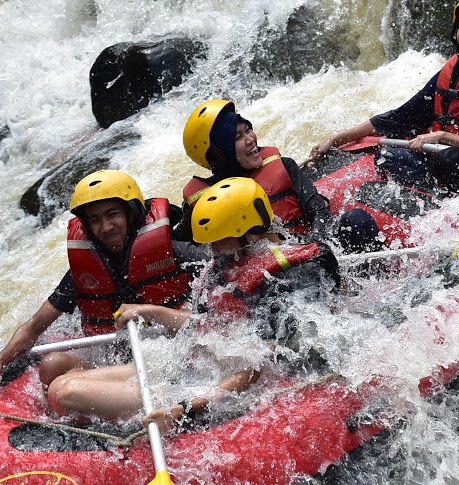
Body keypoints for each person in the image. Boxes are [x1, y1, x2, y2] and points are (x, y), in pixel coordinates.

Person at [49, 178, 341, 432]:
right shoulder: (227, 265)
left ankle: (156, 397)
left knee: (66, 392)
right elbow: (206, 325)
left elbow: (259, 365)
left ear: (249, 231)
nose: (212, 251)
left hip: (209, 384)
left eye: (218, 241)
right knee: (57, 380)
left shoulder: (286, 280)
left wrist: (186, 407)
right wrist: (150, 312)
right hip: (190, 362)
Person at [0, 169, 195, 391]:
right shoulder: (83, 272)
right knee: (51, 365)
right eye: (95, 220)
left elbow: (208, 311)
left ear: (131, 213)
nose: (106, 227)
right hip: (116, 361)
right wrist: (0, 360)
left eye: (113, 214)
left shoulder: (173, 250)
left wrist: (146, 311)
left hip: (167, 354)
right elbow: (33, 327)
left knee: (64, 387)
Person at [306, 0, 459, 192]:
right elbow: (403, 115)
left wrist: (444, 137)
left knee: (451, 160)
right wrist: (337, 139)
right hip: (442, 155)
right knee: (389, 154)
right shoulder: (455, 67)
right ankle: (427, 196)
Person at [181, 99, 331, 237]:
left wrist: (316, 244)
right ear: (219, 154)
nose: (250, 139)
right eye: (238, 137)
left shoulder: (286, 166)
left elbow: (319, 211)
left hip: (305, 248)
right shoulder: (202, 206)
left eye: (248, 130)